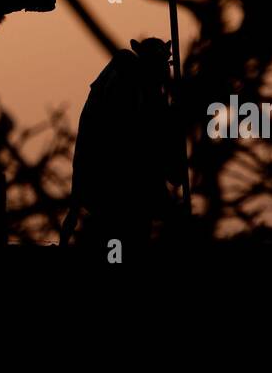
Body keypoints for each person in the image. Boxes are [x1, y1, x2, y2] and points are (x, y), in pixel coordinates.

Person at [62, 38, 184, 254]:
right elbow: (137, 140)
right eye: (160, 67)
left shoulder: (150, 93)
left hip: (127, 187)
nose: (164, 73)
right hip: (114, 183)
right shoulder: (125, 89)